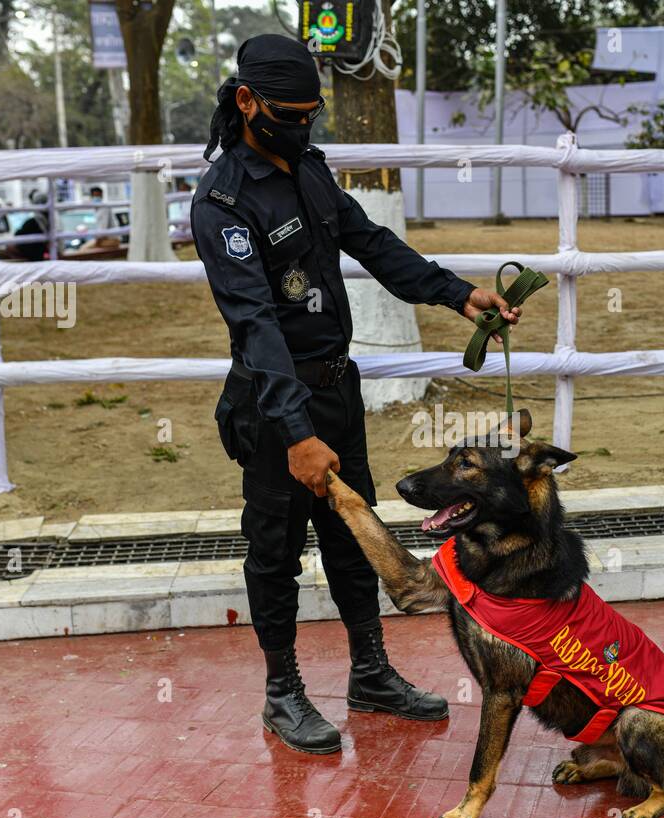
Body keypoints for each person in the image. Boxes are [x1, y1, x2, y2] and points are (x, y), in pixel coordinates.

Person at [192, 34, 521, 755]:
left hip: (338, 391)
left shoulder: (309, 171)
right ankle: (283, 694)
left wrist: (459, 295)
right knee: (275, 551)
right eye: (289, 113)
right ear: (246, 102)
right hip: (276, 407)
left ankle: (370, 672)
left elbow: (374, 245)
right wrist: (295, 434)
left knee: (353, 536)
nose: (302, 126)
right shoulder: (223, 205)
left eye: (312, 113)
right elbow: (254, 327)